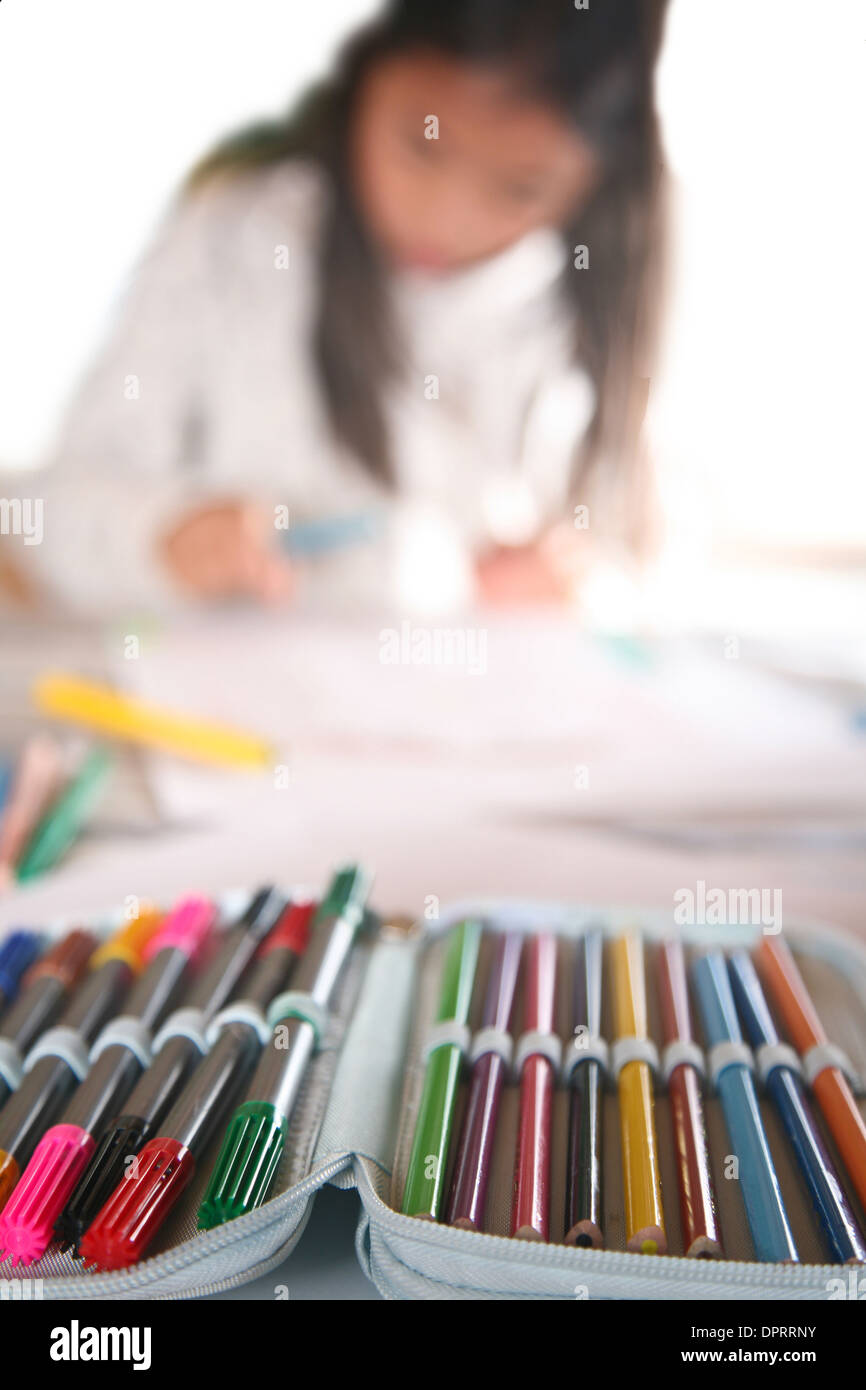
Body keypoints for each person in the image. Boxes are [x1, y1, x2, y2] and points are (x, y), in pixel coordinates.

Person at [13, 0, 668, 616]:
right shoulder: (237, 240)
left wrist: (579, 584)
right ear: (364, 77)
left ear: (597, 180)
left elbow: (640, 553)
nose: (448, 216)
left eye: (521, 187)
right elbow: (43, 520)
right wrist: (160, 534)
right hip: (222, 705)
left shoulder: (591, 308)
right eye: (423, 145)